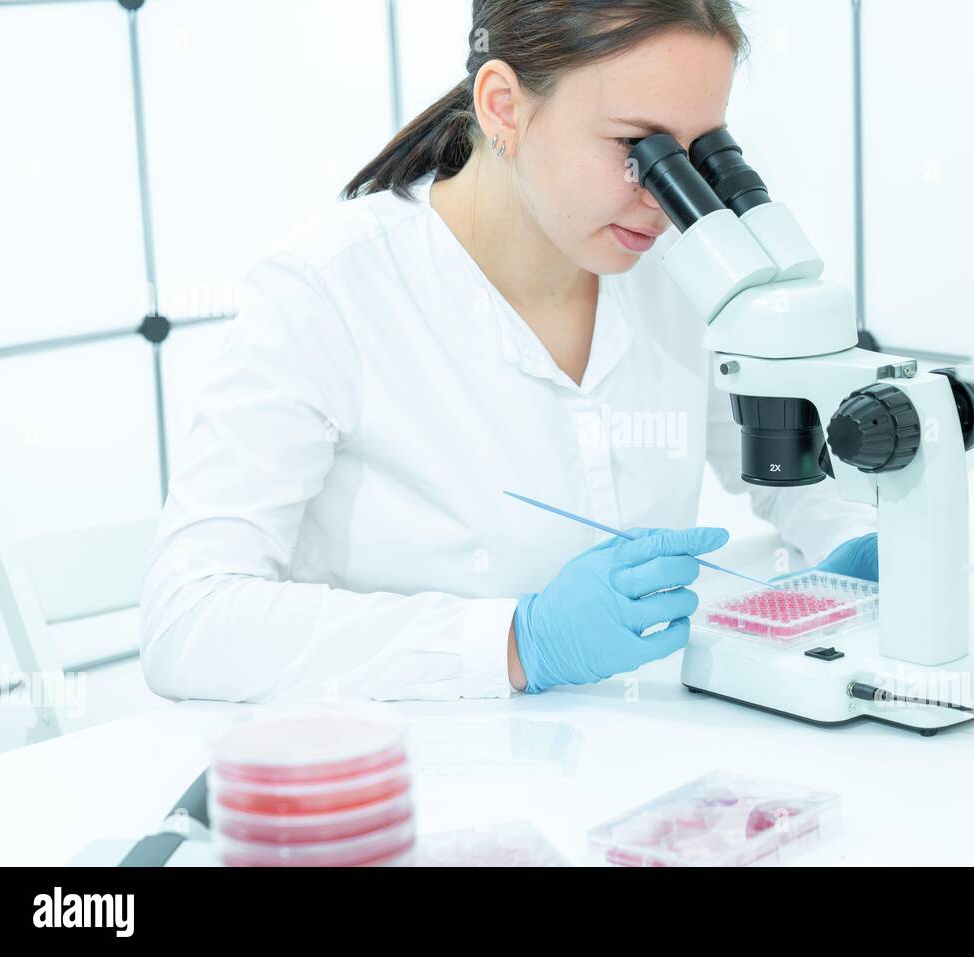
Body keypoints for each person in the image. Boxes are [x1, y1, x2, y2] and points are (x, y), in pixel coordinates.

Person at [139, 0, 876, 703]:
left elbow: (795, 481)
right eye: (636, 149)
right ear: (503, 107)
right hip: (414, 776)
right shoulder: (328, 290)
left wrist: (871, 539)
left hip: (643, 759)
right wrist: (515, 642)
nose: (664, 199)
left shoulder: (673, 274)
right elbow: (188, 618)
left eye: (695, 155)